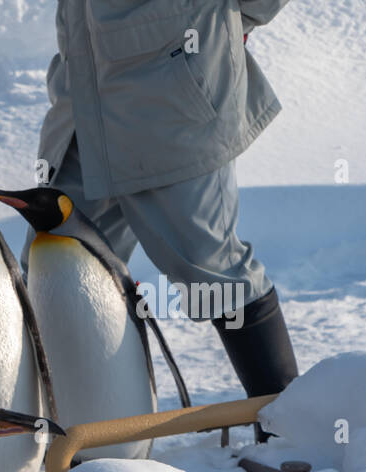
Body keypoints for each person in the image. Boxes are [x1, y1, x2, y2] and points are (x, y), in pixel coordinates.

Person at [30, 0, 298, 415]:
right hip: (81, 100)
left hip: (172, 102)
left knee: (211, 268)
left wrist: (213, 23)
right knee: (55, 268)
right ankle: (88, 441)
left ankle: (289, 431)